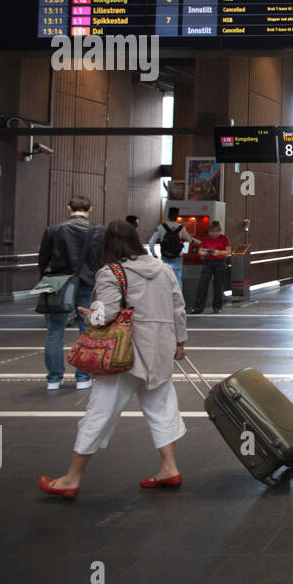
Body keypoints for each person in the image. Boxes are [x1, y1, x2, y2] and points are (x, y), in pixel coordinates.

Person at [38, 221, 188, 498]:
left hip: (124, 353)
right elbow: (178, 308)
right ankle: (169, 467)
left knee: (100, 412)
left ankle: (71, 479)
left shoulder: (112, 272)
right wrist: (180, 341)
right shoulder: (164, 269)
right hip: (160, 350)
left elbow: (105, 315)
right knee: (162, 407)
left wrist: (88, 314)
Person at [38, 195, 103, 392]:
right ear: (90, 209)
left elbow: (44, 259)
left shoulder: (53, 230)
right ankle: (83, 376)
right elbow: (100, 259)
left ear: (69, 208)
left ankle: (53, 378)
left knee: (55, 329)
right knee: (86, 328)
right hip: (87, 283)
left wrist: (46, 280)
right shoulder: (97, 231)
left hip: (58, 283)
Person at [188, 220, 231, 314]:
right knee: (202, 284)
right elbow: (200, 251)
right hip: (208, 262)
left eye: (216, 231)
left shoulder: (224, 238)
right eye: (212, 231)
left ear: (220, 231)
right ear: (210, 231)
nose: (214, 233)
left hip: (220, 261)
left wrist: (218, 252)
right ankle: (198, 307)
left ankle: (217, 306)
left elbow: (228, 251)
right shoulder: (206, 239)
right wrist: (208, 252)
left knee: (218, 284)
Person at [148, 208, 198, 287]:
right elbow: (190, 240)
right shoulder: (181, 228)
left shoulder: (161, 227)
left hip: (165, 256)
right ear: (177, 216)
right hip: (177, 256)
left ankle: (166, 297)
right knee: (177, 278)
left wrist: (154, 254)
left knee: (165, 278)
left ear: (168, 215)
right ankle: (178, 297)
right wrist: (202, 242)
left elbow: (151, 242)